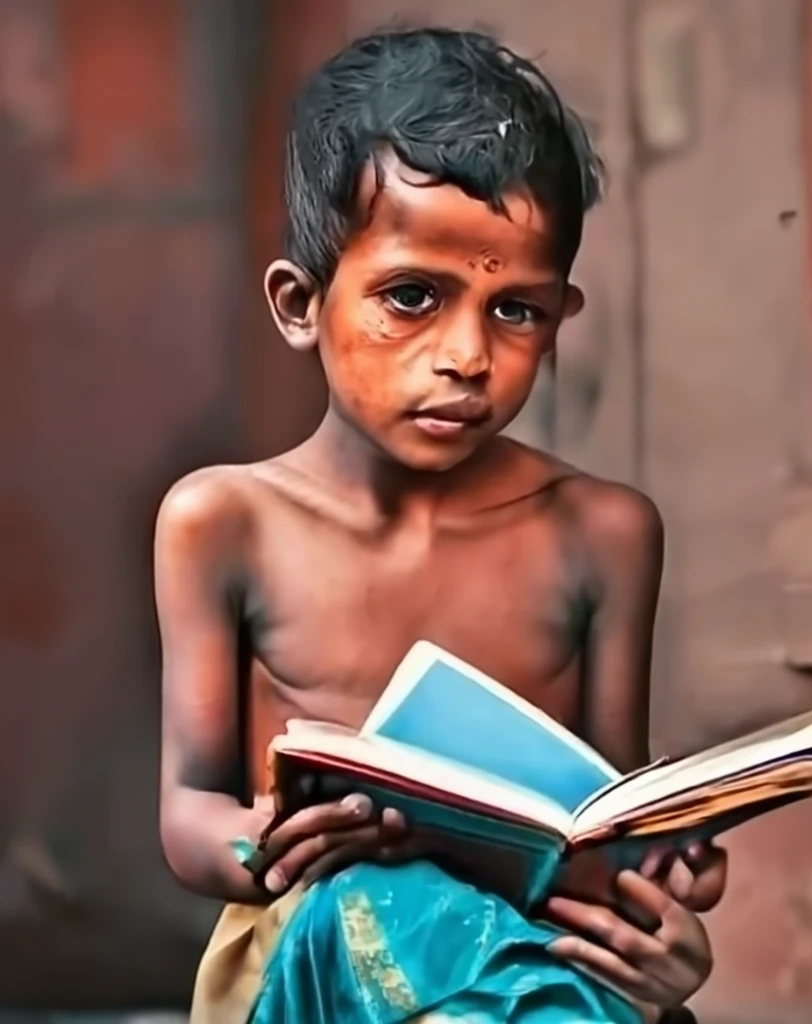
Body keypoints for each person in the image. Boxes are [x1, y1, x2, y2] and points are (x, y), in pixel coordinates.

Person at [155, 26, 726, 1024]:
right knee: (385, 902)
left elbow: (600, 819)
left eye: (517, 313)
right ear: (300, 303)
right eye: (411, 298)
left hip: (528, 949)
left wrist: (658, 888)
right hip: (317, 947)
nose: (465, 355)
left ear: (561, 314)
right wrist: (266, 843)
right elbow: (190, 811)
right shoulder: (224, 522)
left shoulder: (603, 534)